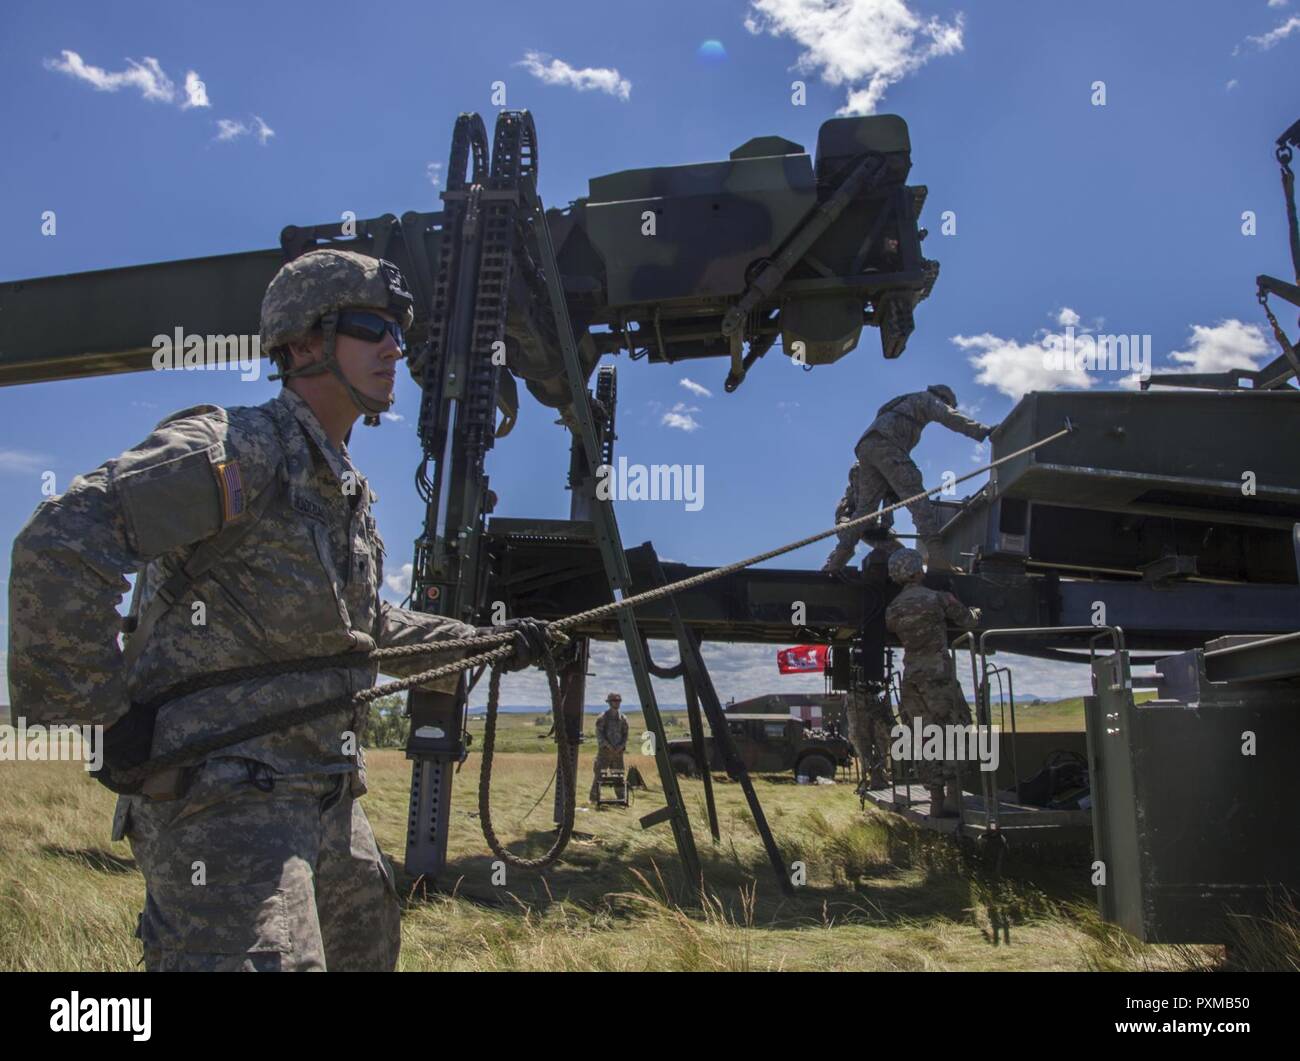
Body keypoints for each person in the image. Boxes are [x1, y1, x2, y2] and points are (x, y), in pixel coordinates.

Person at [7, 248, 548, 971]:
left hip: (323, 793)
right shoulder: (241, 451)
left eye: (399, 330)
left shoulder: (347, 493)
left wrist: (489, 642)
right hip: (223, 797)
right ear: (301, 344)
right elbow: (60, 541)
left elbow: (367, 635)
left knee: (367, 941)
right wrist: (103, 720)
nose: (395, 347)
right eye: (369, 326)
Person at [824, 385, 993, 573]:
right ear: (943, 399)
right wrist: (983, 431)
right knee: (918, 502)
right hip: (886, 445)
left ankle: (838, 560)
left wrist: (886, 524)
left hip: (867, 447)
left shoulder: (903, 402)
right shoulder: (927, 399)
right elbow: (949, 416)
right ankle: (937, 557)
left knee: (865, 511)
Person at [883, 548, 980, 817]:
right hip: (938, 677)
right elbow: (967, 621)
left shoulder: (892, 610)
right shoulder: (938, 598)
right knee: (953, 730)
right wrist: (976, 612)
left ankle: (935, 801)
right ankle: (953, 795)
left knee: (923, 736)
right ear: (917, 570)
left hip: (911, 679)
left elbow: (894, 629)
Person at [589, 692, 629, 804]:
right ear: (609, 703)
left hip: (618, 753)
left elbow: (625, 734)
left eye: (618, 701)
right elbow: (599, 734)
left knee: (619, 775)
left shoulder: (623, 718)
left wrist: (620, 746)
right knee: (599, 775)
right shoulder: (603, 717)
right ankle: (594, 799)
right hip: (605, 753)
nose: (617, 703)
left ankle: (621, 799)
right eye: (614, 701)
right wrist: (608, 746)